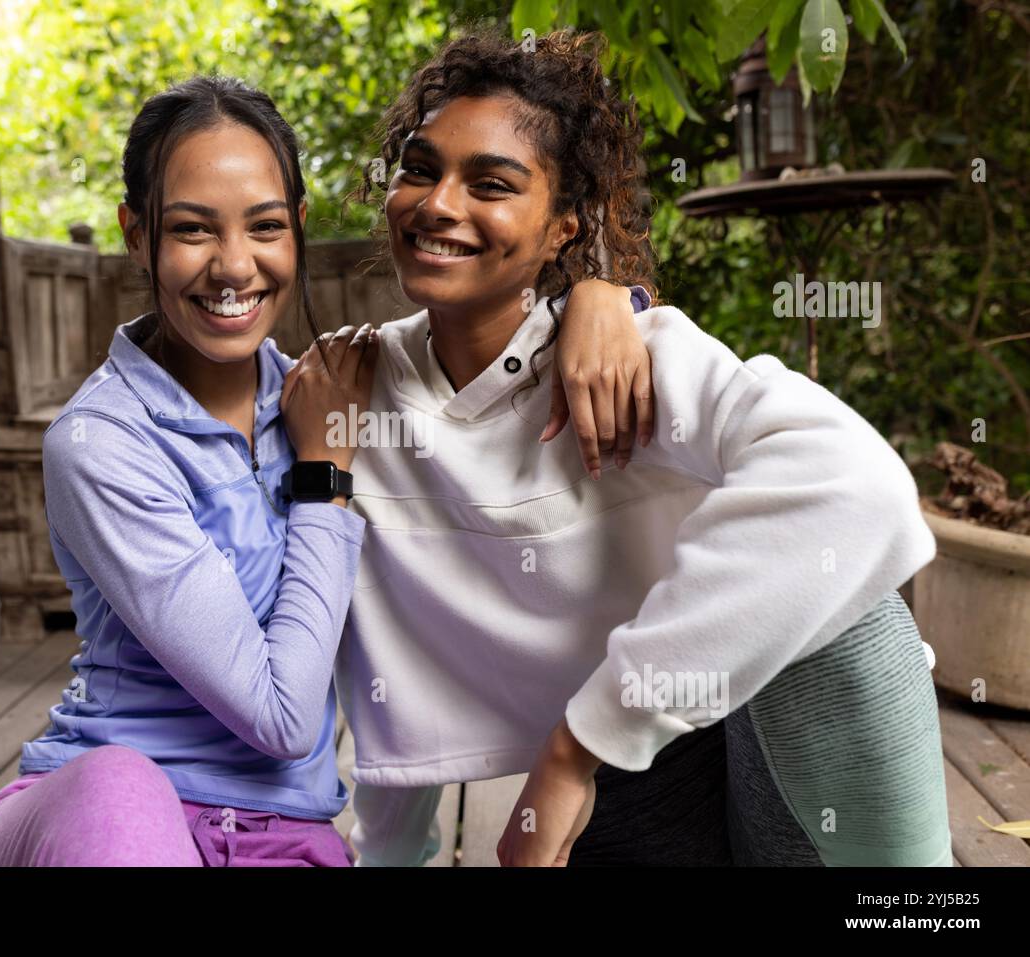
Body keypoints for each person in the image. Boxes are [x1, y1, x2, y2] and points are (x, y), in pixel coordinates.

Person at [0, 73, 653, 867]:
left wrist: (603, 300)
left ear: (297, 229)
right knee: (123, 788)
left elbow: (488, 369)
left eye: (263, 227)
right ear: (136, 235)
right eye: (191, 230)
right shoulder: (102, 443)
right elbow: (283, 717)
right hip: (95, 825)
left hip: (279, 836)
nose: (232, 266)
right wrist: (322, 476)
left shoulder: (326, 392)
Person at [336, 28, 952, 868]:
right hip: (635, 796)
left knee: (846, 593)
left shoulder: (631, 354)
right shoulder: (348, 385)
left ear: (562, 229)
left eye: (491, 183)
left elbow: (861, 487)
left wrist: (576, 746)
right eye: (420, 168)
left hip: (758, 761)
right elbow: (382, 633)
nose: (439, 203)